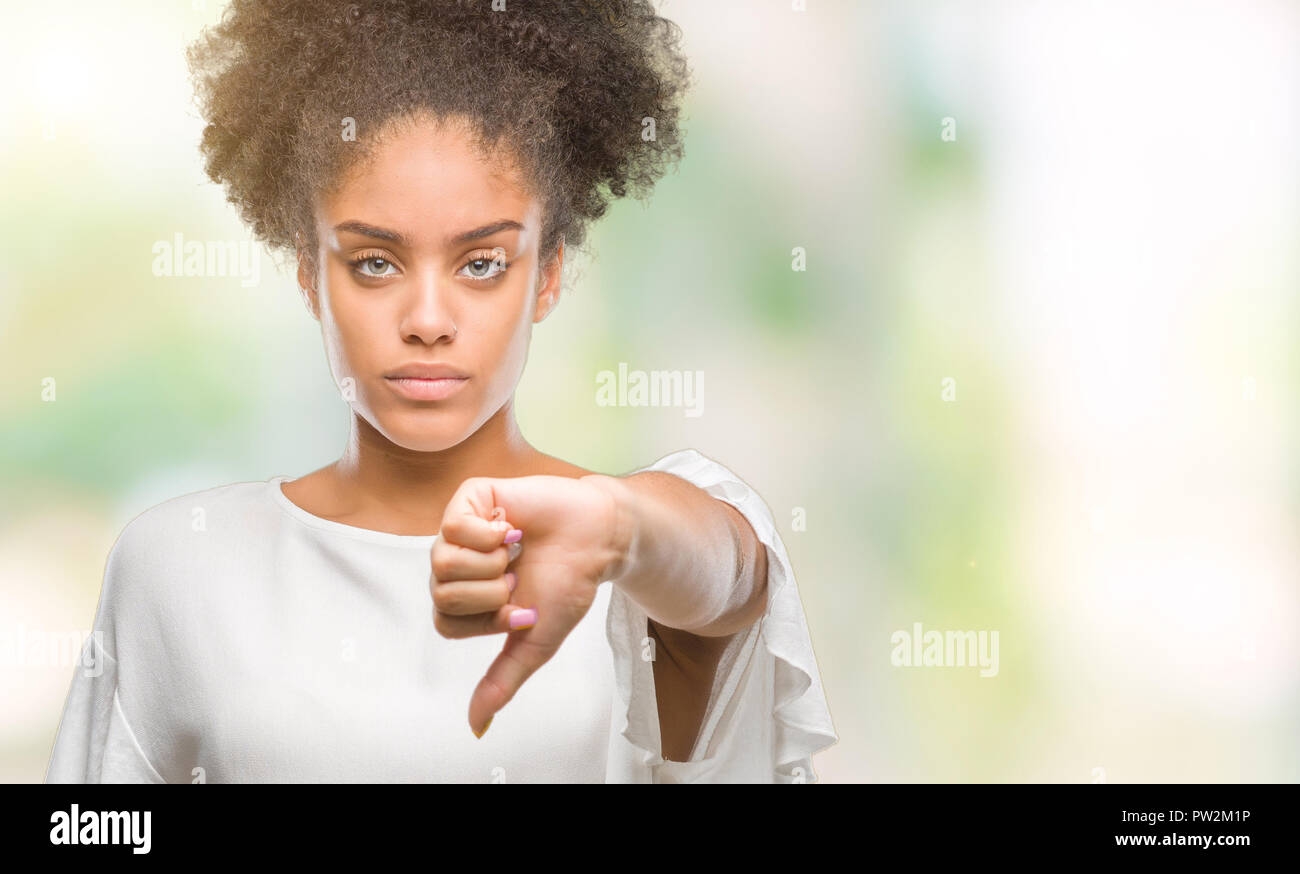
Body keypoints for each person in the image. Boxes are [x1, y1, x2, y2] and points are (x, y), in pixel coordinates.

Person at [45, 0, 836, 783]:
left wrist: (617, 528)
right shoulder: (180, 565)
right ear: (308, 274)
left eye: (483, 262)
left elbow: (730, 575)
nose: (427, 320)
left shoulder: (632, 555)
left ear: (550, 274)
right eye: (375, 263)